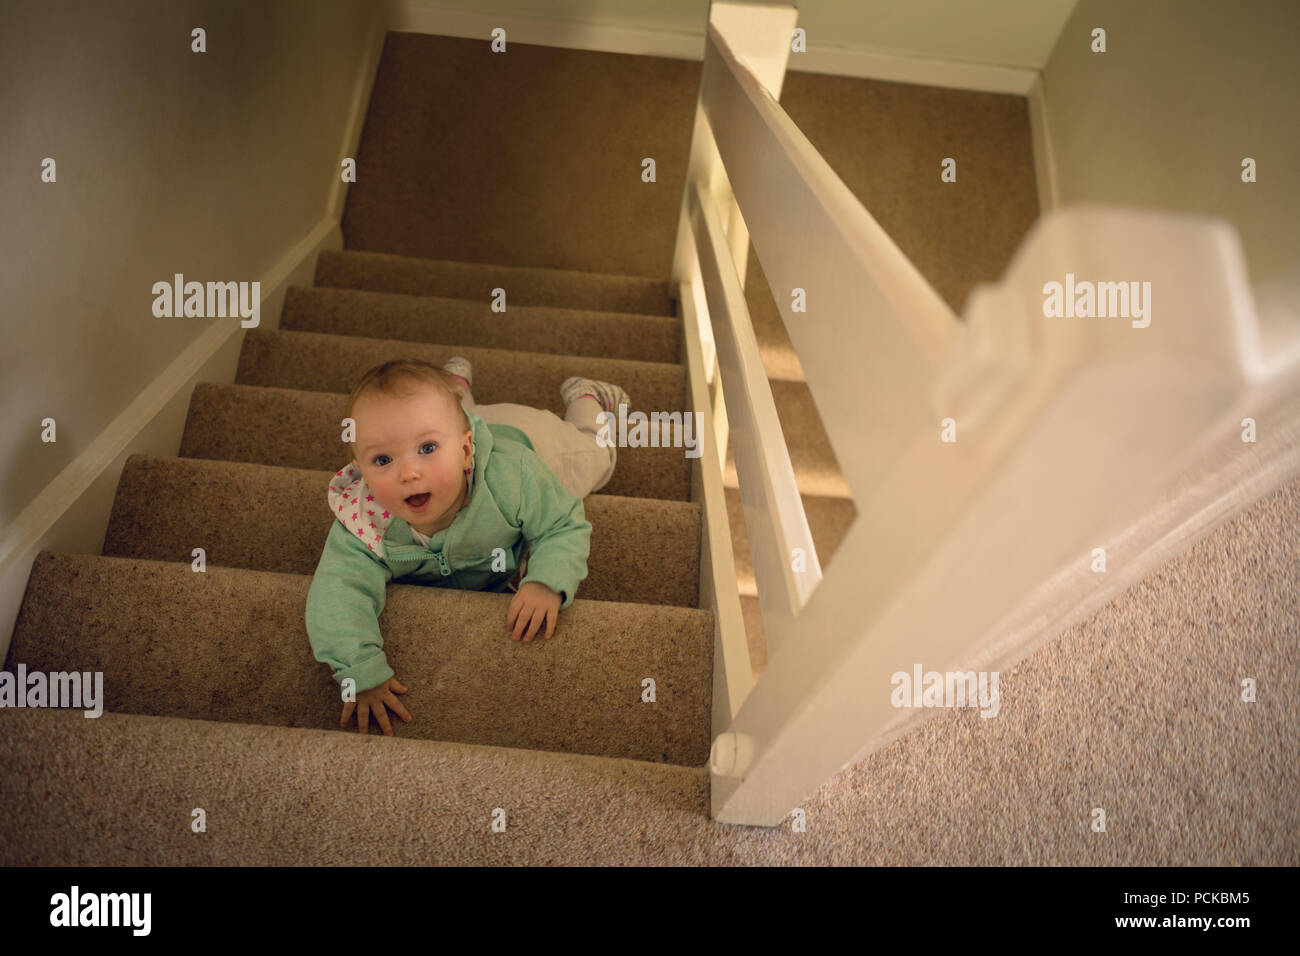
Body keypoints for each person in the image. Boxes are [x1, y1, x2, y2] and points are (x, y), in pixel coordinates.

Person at [304, 356, 629, 736]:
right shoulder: (364, 521)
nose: (408, 473)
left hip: (536, 442)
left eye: (426, 449)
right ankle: (456, 393)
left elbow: (562, 524)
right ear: (360, 468)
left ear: (466, 451)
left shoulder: (514, 479)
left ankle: (589, 399)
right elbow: (336, 593)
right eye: (382, 459)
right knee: (441, 419)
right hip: (457, 428)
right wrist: (358, 669)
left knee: (598, 457)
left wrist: (546, 580)